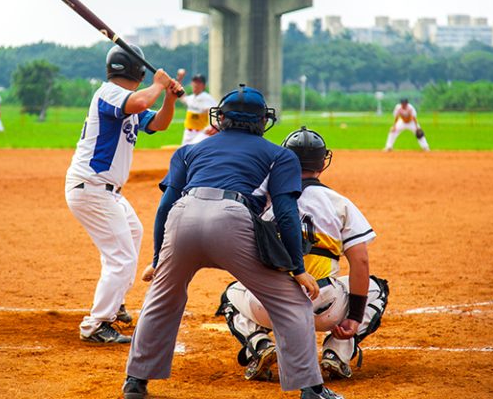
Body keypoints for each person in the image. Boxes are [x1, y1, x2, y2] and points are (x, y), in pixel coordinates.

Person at [123, 86, 343, 399]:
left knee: (162, 297)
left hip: (183, 216)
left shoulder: (189, 151)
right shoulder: (280, 155)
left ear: (221, 118)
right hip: (232, 219)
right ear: (262, 120)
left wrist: (158, 260)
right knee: (291, 302)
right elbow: (286, 214)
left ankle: (135, 381)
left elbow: (165, 207)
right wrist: (297, 268)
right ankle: (312, 389)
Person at [217, 127, 389, 382]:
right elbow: (360, 261)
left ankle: (259, 344)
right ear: (322, 162)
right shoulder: (339, 202)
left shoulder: (263, 200)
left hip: (268, 305)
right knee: (377, 289)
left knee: (231, 295)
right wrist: (353, 318)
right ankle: (337, 352)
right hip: (324, 306)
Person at [65, 45, 183, 344]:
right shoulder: (110, 93)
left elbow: (159, 123)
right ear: (138, 72)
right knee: (121, 257)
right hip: (92, 187)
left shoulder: (126, 101)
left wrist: (168, 98)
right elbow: (141, 101)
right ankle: (96, 324)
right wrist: (159, 84)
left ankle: (114, 301)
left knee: (132, 234)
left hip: (106, 191)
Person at [179, 74, 217, 145]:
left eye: (199, 82)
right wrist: (180, 80)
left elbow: (216, 110)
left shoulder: (206, 97)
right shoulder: (192, 98)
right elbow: (182, 96)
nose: (196, 84)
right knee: (184, 150)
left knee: (193, 149)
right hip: (188, 133)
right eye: (194, 82)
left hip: (200, 133)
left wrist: (213, 125)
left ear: (203, 86)